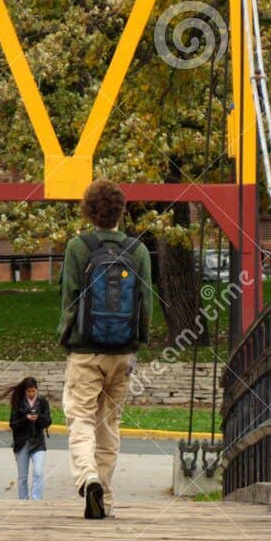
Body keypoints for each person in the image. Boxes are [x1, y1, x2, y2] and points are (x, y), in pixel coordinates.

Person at [58, 179, 152, 520]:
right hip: (123, 352)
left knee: (80, 416)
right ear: (121, 211)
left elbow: (69, 298)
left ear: (88, 211)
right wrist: (137, 342)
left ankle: (88, 478)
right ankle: (106, 499)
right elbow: (146, 304)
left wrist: (66, 337)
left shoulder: (78, 248)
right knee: (109, 423)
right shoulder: (138, 251)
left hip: (86, 349)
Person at [9, 376, 51, 501]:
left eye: (33, 391)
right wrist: (25, 419)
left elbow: (48, 421)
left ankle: (36, 499)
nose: (31, 394)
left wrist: (38, 417)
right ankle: (23, 501)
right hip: (21, 442)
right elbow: (13, 424)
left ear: (37, 390)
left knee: (38, 472)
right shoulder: (18, 402)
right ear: (25, 391)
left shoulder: (42, 402)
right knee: (22, 477)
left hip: (38, 442)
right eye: (29, 391)